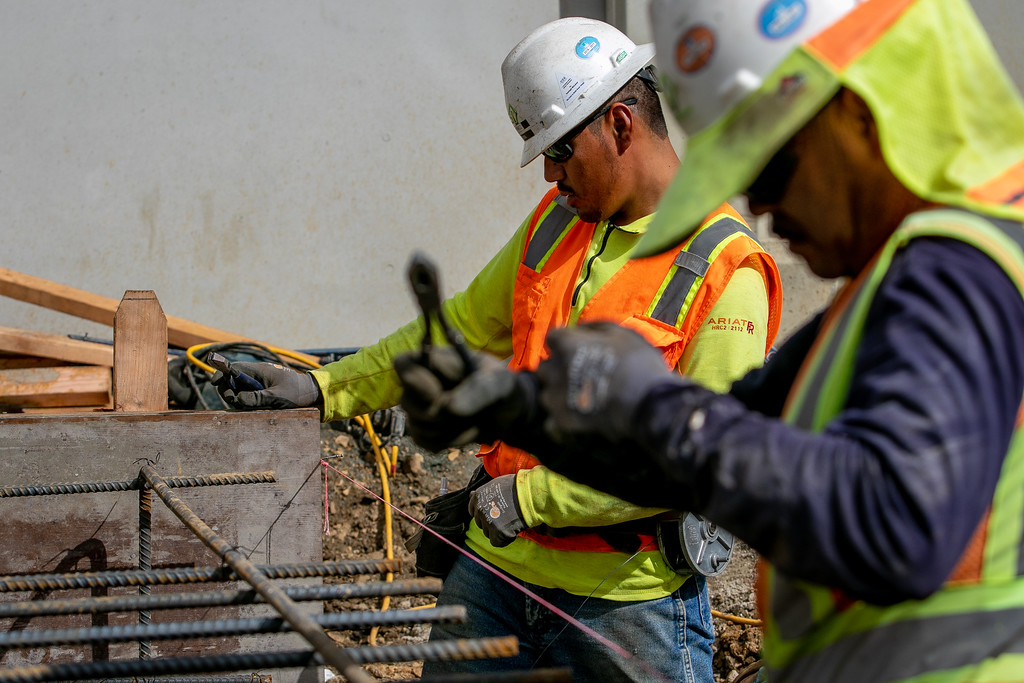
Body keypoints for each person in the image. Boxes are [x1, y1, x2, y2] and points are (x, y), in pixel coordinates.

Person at [395, 0, 1024, 681]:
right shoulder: (905, 275)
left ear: (859, 117)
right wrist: (518, 408)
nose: (755, 203)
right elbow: (727, 436)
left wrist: (650, 409)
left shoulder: (958, 272)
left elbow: (895, 522)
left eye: (770, 164)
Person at [220, 16, 782, 682]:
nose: (548, 171)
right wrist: (323, 387)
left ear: (620, 127)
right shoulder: (557, 221)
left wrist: (532, 499)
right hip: (494, 578)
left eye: (560, 149)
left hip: (626, 607)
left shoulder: (724, 269)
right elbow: (453, 329)